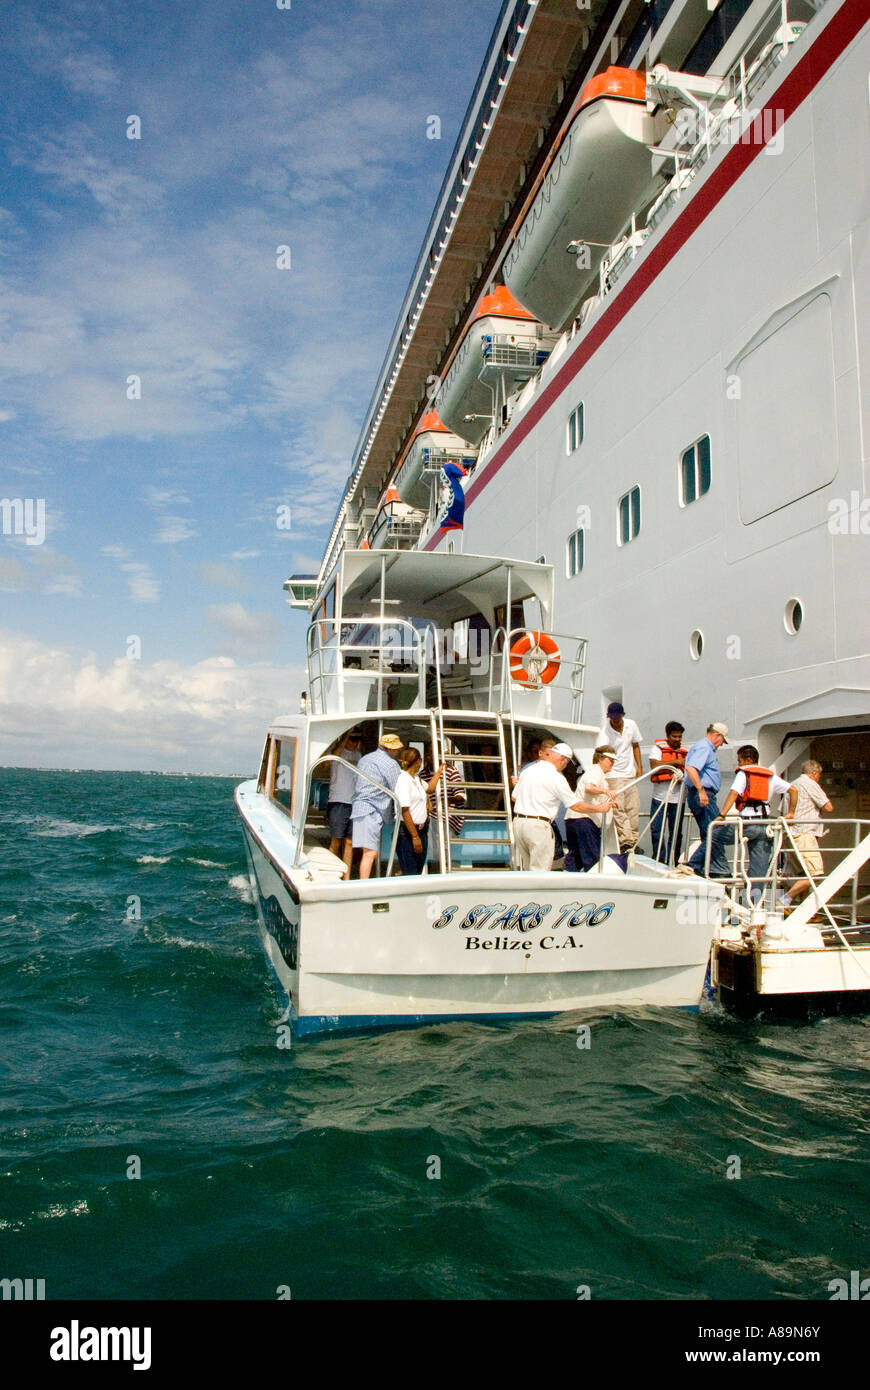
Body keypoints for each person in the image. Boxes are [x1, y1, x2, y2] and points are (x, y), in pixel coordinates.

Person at [512, 742, 617, 870]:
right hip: (538, 827)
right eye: (567, 763)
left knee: (528, 869)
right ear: (562, 759)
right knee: (540, 871)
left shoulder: (527, 771)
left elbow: (514, 797)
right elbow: (575, 805)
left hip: (519, 824)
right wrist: (599, 808)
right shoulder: (556, 777)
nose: (565, 766)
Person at [716, 745, 797, 904]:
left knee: (714, 836)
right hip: (764, 826)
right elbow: (793, 790)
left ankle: (720, 870)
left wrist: (722, 815)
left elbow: (734, 793)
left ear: (747, 760)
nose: (738, 764)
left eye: (739, 760)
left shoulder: (743, 774)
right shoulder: (770, 776)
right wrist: (791, 813)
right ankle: (753, 906)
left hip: (747, 824)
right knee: (758, 870)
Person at [351, 733, 404, 880]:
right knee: (370, 853)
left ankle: (365, 883)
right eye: (397, 749)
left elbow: (356, 780)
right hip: (372, 810)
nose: (398, 752)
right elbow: (397, 788)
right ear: (390, 749)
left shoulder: (364, 759)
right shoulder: (391, 764)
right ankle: (364, 886)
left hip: (360, 807)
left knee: (367, 852)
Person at [686, 722, 731, 878]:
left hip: (701, 794)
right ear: (717, 735)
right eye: (722, 741)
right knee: (716, 831)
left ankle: (715, 868)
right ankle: (694, 864)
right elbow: (691, 768)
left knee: (709, 833)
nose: (721, 745)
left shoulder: (701, 746)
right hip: (703, 795)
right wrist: (701, 791)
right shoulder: (705, 748)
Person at [597, 701, 643, 851]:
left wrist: (639, 766)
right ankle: (626, 840)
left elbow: (635, 745)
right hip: (613, 774)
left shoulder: (631, 725)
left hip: (629, 773)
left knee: (633, 808)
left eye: (617, 718)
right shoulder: (604, 732)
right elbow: (601, 753)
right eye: (612, 718)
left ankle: (634, 841)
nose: (614, 721)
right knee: (618, 808)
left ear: (623, 715)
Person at [786, 760, 834, 902]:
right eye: (819, 775)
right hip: (804, 834)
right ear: (814, 774)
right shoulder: (810, 784)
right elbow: (828, 807)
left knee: (804, 874)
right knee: (815, 874)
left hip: (791, 834)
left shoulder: (793, 784)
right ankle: (783, 901)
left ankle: (802, 908)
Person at [565, 746, 615, 870]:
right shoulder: (596, 772)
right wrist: (606, 791)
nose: (612, 764)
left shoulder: (592, 772)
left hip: (572, 819)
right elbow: (589, 787)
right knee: (592, 860)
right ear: (600, 759)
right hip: (585, 821)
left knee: (575, 858)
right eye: (610, 760)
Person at [395, 748, 443, 875]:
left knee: (417, 871)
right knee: (410, 873)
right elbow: (405, 811)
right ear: (418, 762)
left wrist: (438, 772)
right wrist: (415, 836)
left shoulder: (416, 779)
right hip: (408, 833)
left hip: (422, 831)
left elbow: (430, 788)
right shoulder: (404, 780)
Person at [649, 721, 688, 864]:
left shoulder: (686, 750)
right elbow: (654, 765)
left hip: (679, 799)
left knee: (676, 832)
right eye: (674, 737)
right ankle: (658, 859)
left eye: (679, 737)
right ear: (667, 735)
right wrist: (677, 762)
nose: (677, 740)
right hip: (660, 797)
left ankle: (674, 861)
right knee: (657, 830)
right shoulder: (657, 749)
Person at [326, 729, 361, 873]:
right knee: (336, 840)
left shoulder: (359, 755)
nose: (354, 742)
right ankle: (331, 872)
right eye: (351, 739)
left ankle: (346, 874)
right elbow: (333, 757)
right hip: (338, 801)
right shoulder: (336, 753)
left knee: (350, 841)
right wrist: (346, 735)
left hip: (354, 803)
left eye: (357, 739)